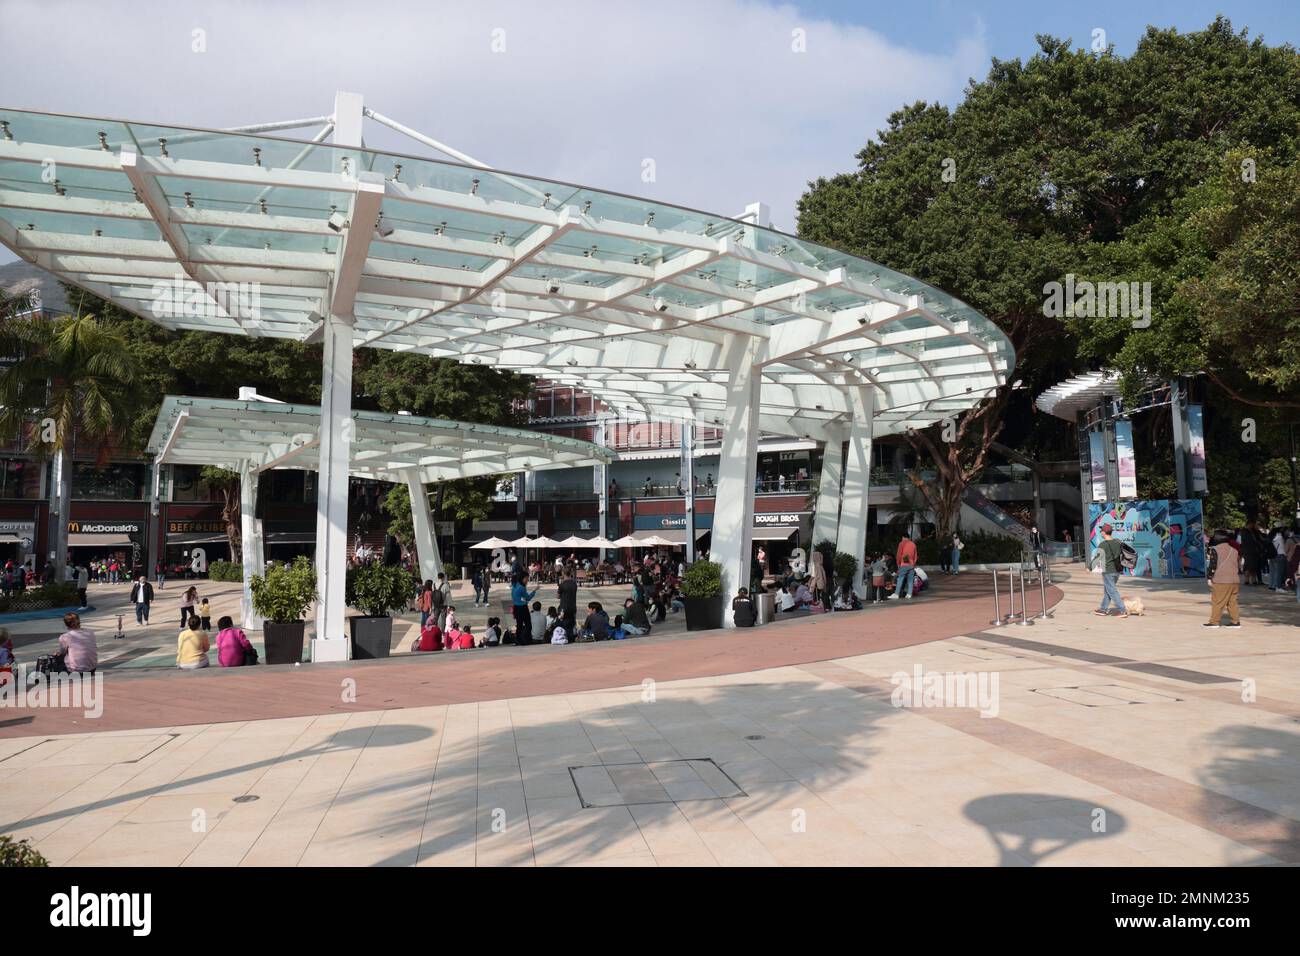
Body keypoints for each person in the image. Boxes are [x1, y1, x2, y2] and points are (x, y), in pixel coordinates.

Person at [1205, 530, 1243, 628]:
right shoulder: (1234, 550)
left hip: (1221, 580)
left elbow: (1212, 565)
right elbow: (1238, 565)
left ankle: (1214, 622)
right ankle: (1235, 622)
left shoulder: (1215, 549)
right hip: (1234, 580)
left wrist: (1209, 577)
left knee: (1218, 601)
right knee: (1232, 602)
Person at [1092, 524, 1128, 618]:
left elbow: (1097, 558)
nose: (1100, 532)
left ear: (1104, 532)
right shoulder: (1117, 542)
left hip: (1108, 571)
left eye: (1101, 531)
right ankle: (1103, 609)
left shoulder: (1103, 544)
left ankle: (1122, 610)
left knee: (1112, 591)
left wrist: (1089, 567)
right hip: (1117, 571)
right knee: (1108, 590)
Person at [511, 575, 539, 645]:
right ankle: (528, 639)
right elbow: (528, 597)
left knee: (519, 625)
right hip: (522, 607)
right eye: (526, 578)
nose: (527, 580)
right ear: (522, 578)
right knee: (528, 624)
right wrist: (535, 590)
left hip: (516, 607)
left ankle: (518, 640)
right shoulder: (522, 587)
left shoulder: (514, 586)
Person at [895, 533, 918, 599]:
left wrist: (898, 563)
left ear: (904, 537)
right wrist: (913, 564)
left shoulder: (901, 543)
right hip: (911, 564)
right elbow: (915, 556)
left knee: (900, 579)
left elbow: (899, 555)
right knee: (910, 580)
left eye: (902, 538)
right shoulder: (913, 544)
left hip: (904, 564)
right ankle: (909, 594)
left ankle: (896, 594)